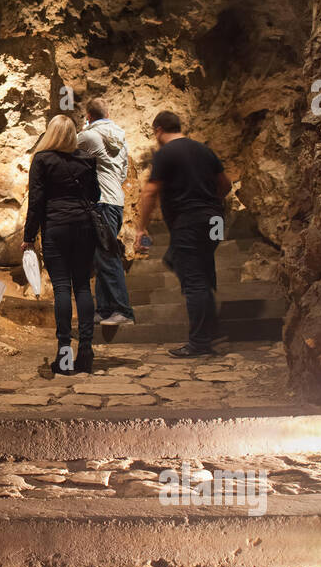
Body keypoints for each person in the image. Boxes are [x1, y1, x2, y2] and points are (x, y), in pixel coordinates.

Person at [135, 109, 232, 358]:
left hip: (190, 221)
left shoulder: (166, 153)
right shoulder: (203, 149)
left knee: (195, 281)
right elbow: (226, 184)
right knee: (198, 271)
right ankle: (211, 331)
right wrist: (211, 202)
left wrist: (141, 228)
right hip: (215, 221)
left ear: (158, 130)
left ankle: (200, 342)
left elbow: (149, 192)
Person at [22, 114, 100, 375]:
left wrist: (28, 237)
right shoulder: (87, 160)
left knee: (62, 289)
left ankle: (65, 356)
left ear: (50, 134)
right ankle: (86, 352)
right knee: (82, 287)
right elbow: (95, 195)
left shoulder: (42, 160)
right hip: (84, 229)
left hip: (56, 227)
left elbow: (36, 202)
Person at [77, 98, 135, 329]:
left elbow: (64, 148)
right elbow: (123, 173)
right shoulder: (121, 139)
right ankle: (104, 309)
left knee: (107, 256)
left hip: (101, 203)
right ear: (107, 113)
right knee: (101, 255)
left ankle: (122, 309)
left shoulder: (89, 136)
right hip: (116, 202)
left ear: (89, 116)